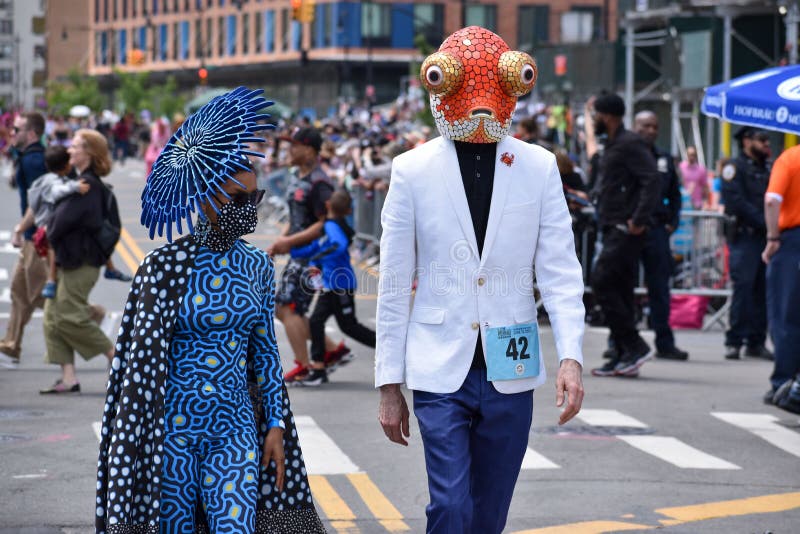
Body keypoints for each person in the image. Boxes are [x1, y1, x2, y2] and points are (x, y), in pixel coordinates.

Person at [376, 27, 585, 534]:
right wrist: (388, 383)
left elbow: (560, 270)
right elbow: (394, 279)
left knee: (489, 515)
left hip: (509, 364)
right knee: (451, 507)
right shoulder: (411, 170)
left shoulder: (538, 167)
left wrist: (572, 357)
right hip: (437, 364)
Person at [96, 87, 325, 533]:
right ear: (205, 198)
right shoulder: (161, 268)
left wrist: (274, 423)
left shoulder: (257, 265)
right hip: (171, 433)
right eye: (239, 200)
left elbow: (264, 354)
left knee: (235, 525)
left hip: (235, 427)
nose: (249, 210)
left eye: (254, 200)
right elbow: (137, 370)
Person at [266, 127, 349, 383]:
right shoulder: (298, 176)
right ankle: (332, 350)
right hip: (298, 253)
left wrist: (289, 241)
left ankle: (306, 365)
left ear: (309, 150)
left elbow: (324, 223)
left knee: (286, 306)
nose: (289, 150)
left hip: (312, 257)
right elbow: (297, 218)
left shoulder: (319, 183)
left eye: (294, 145)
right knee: (288, 309)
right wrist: (283, 241)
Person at [39, 130, 117, 393]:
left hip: (81, 262)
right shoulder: (77, 182)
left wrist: (50, 226)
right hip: (68, 259)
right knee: (52, 316)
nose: (69, 151)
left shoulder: (88, 186)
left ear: (89, 153)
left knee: (68, 316)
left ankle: (116, 356)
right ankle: (69, 377)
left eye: (75, 146)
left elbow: (59, 223)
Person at [589, 93, 660, 377]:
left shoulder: (630, 143)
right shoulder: (614, 144)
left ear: (606, 116)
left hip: (625, 230)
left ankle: (633, 345)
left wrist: (639, 219)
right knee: (620, 290)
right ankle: (622, 354)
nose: (593, 121)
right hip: (612, 226)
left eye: (595, 115)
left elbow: (652, 178)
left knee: (602, 282)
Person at [292, 190, 376, 386]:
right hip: (332, 285)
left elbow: (338, 245)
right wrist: (292, 249)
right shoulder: (330, 226)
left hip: (340, 286)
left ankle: (392, 354)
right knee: (317, 322)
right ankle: (319, 367)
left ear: (328, 205)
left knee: (349, 326)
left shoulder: (331, 226)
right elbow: (317, 247)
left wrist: (319, 256)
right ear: (348, 210)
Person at [632, 111, 688, 361]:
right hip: (630, 230)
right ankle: (620, 341)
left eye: (655, 126)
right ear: (635, 127)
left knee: (660, 288)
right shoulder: (626, 154)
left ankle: (665, 342)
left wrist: (672, 222)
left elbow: (675, 194)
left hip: (656, 230)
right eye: (646, 126)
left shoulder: (664, 158)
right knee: (623, 287)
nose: (651, 130)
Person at [0, 113, 48, 369]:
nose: (11, 132)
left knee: (41, 295)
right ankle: (10, 346)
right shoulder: (28, 158)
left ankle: (95, 317)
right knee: (19, 291)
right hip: (32, 235)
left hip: (37, 237)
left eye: (16, 129)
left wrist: (20, 229)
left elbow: (37, 202)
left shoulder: (33, 161)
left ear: (31, 134)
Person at [720, 127, 773, 361]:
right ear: (746, 141)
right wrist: (764, 222)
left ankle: (756, 341)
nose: (766, 144)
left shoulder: (768, 168)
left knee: (762, 290)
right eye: (761, 139)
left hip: (766, 237)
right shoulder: (734, 168)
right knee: (743, 287)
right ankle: (735, 341)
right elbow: (736, 202)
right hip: (745, 236)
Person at [11, 146, 90, 299]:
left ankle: (51, 280)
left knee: (47, 255)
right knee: (51, 251)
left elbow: (33, 204)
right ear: (67, 165)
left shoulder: (43, 180)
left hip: (42, 225)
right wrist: (75, 187)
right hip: (47, 226)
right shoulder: (54, 182)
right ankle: (51, 280)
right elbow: (56, 192)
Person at [761, 143, 800, 408]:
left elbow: (772, 199)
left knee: (786, 315)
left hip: (793, 241)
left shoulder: (790, 159)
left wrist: (772, 237)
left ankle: (785, 382)